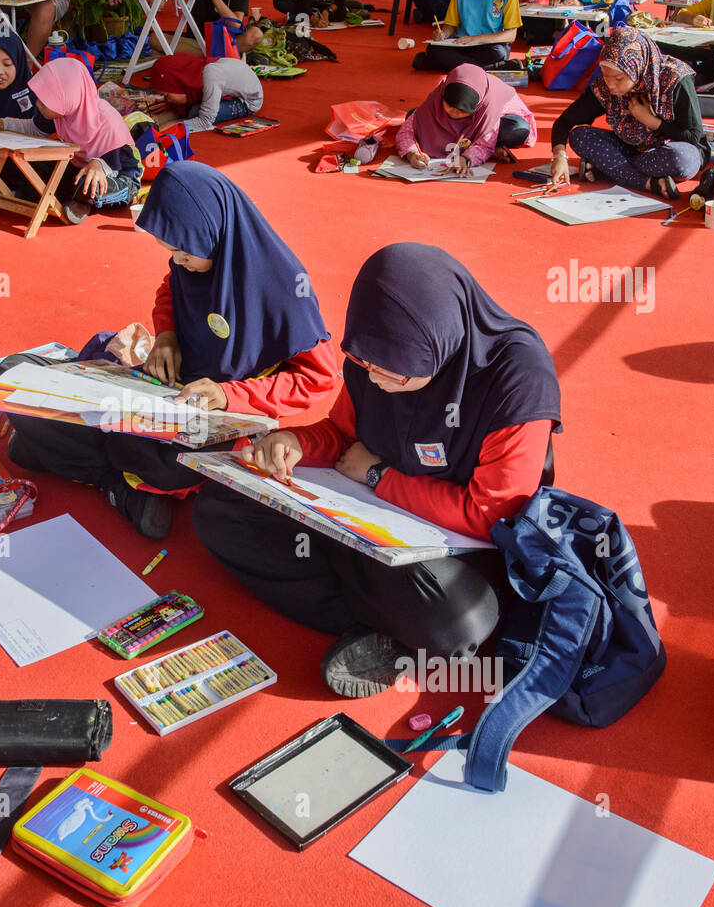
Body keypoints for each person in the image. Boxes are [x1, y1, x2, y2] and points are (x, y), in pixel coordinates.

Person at [193, 242, 561, 697]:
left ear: (437, 342)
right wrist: (294, 441)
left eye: (395, 375)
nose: (376, 381)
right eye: (366, 365)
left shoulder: (517, 378)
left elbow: (493, 515)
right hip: (367, 521)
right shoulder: (375, 358)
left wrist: (379, 477)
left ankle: (373, 612)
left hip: (455, 552)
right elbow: (343, 436)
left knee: (456, 623)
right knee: (219, 506)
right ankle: (376, 631)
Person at [5, 161, 338, 538]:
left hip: (214, 416)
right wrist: (166, 337)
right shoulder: (193, 261)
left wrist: (228, 394)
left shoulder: (283, 289)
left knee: (169, 464)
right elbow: (170, 292)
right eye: (172, 252)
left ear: (215, 232)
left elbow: (317, 379)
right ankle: (115, 481)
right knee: (16, 374)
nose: (178, 262)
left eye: (183, 252)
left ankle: (86, 466)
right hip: (162, 386)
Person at [548, 25, 708, 198]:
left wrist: (653, 122)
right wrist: (559, 156)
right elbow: (565, 122)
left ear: (636, 67)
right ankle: (648, 183)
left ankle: (610, 168)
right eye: (605, 75)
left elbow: (694, 138)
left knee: (682, 160)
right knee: (579, 136)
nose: (610, 85)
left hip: (669, 150)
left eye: (618, 79)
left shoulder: (675, 78)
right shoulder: (605, 86)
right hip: (630, 148)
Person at [0, 57, 143, 224]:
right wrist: (0, 123)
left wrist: (97, 165)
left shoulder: (107, 120)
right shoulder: (62, 112)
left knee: (89, 187)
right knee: (19, 163)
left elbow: (116, 164)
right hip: (76, 170)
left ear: (66, 96)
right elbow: (32, 128)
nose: (38, 104)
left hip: (117, 175)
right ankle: (70, 197)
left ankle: (77, 198)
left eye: (46, 100)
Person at [397, 64, 536, 169]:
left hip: (497, 120)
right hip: (465, 131)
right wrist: (411, 153)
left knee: (518, 130)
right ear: (442, 98)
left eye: (463, 111)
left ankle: (486, 147)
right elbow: (406, 132)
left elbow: (485, 143)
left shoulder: (488, 105)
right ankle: (481, 147)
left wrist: (467, 159)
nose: (455, 113)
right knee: (413, 117)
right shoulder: (438, 96)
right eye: (449, 106)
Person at [150, 51, 264, 129]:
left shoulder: (210, 76)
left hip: (248, 100)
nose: (166, 100)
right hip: (231, 82)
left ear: (176, 85)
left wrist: (169, 127)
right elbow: (176, 110)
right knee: (188, 110)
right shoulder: (191, 77)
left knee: (195, 112)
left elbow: (205, 121)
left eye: (166, 95)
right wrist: (154, 121)